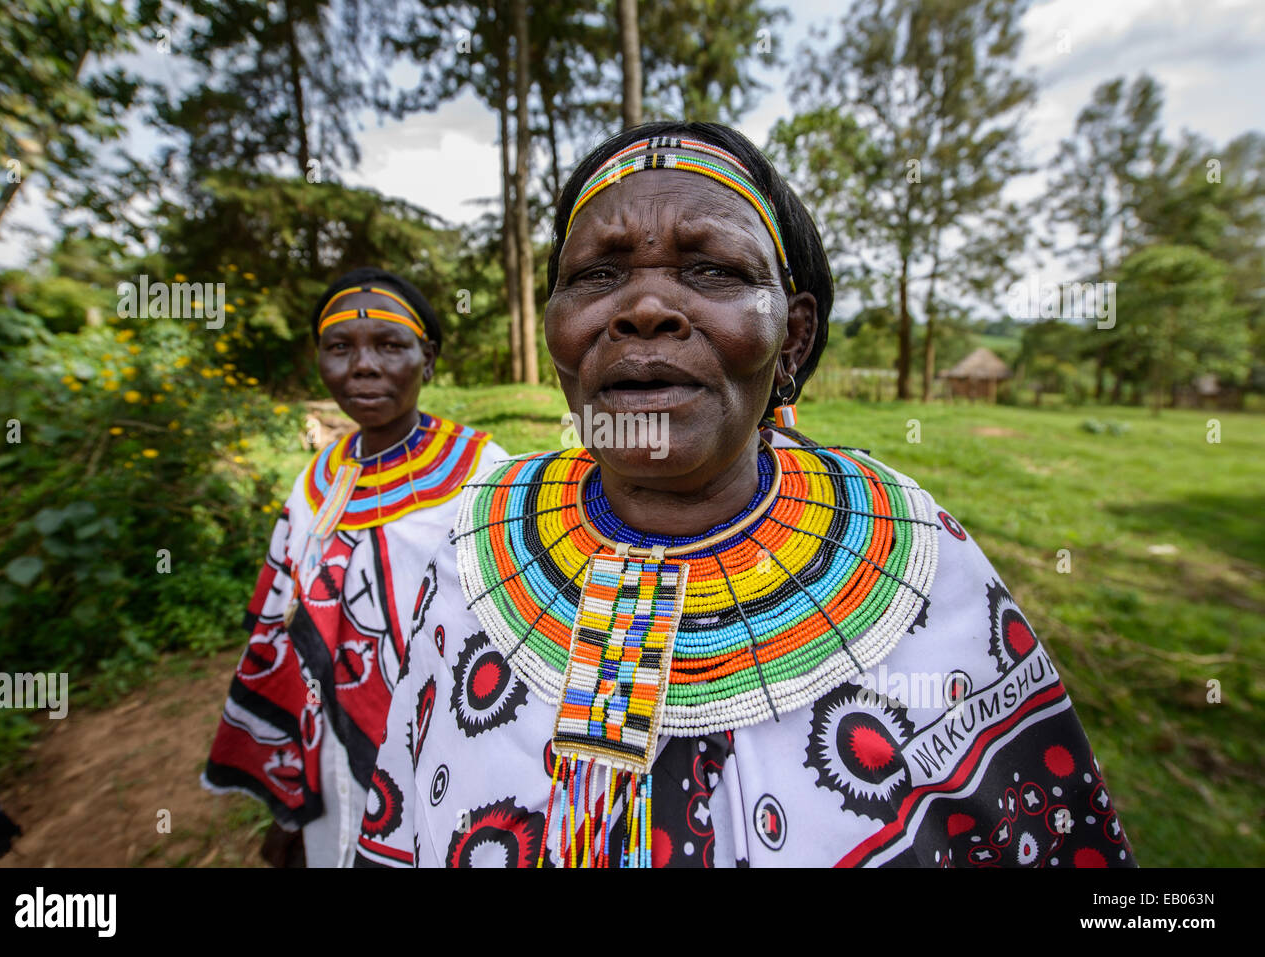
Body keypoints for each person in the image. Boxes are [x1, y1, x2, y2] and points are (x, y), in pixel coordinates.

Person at [352, 124, 1136, 868]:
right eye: (597, 274)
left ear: (792, 337)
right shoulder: (469, 555)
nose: (644, 308)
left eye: (712, 270)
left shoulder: (921, 567)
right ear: (556, 323)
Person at [202, 266, 506, 867]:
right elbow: (284, 617)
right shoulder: (315, 483)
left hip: (440, 729)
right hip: (330, 733)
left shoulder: (481, 471)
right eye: (340, 348)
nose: (362, 366)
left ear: (429, 358)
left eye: (390, 346)